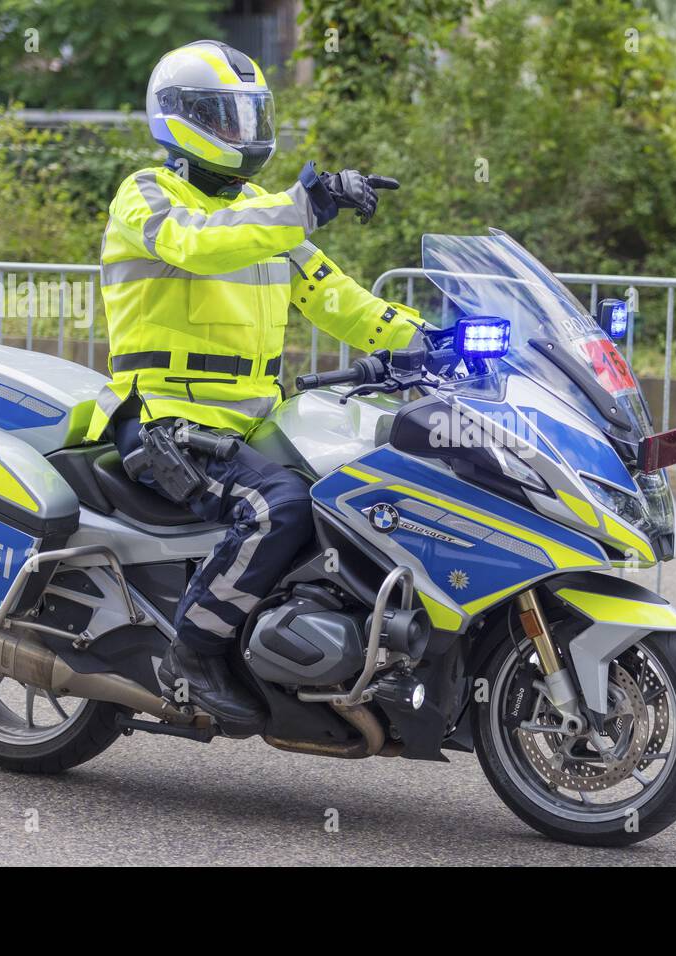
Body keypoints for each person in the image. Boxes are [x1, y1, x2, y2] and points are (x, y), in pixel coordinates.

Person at [85, 39, 422, 735]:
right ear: (178, 118)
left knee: (360, 487)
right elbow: (199, 242)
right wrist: (306, 204)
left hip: (250, 421)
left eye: (248, 116)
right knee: (278, 507)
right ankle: (195, 651)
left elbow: (341, 300)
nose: (240, 133)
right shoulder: (146, 196)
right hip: (164, 418)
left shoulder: (267, 215)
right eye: (222, 116)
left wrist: (435, 340)